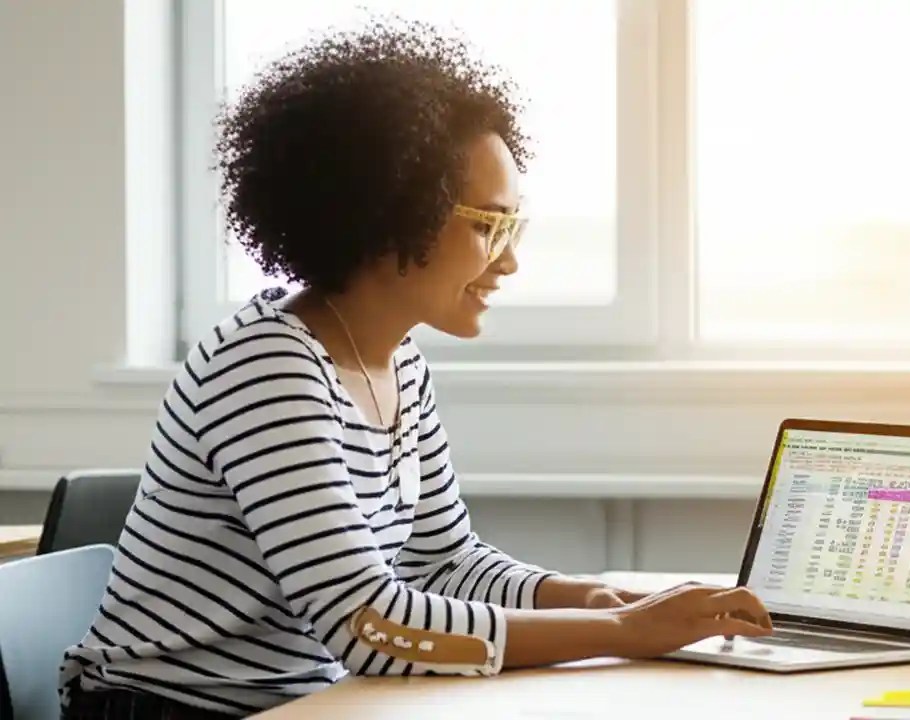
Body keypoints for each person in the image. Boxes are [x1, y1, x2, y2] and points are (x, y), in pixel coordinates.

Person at [58, 17, 771, 719]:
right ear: (387, 213)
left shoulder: (397, 362)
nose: (510, 259)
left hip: (306, 704)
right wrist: (622, 634)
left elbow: (443, 562)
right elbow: (370, 626)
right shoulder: (267, 369)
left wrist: (595, 600)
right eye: (488, 225)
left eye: (513, 227)